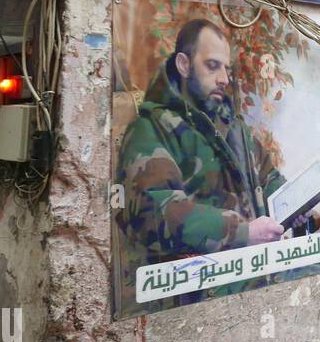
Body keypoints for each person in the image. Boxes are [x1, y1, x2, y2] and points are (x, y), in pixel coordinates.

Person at [116, 19, 289, 274]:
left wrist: (297, 207)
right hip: (199, 289)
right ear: (184, 65)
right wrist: (242, 232)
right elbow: (153, 213)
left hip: (259, 275)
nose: (224, 79)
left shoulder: (234, 128)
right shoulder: (151, 129)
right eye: (212, 66)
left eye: (226, 69)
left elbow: (269, 177)